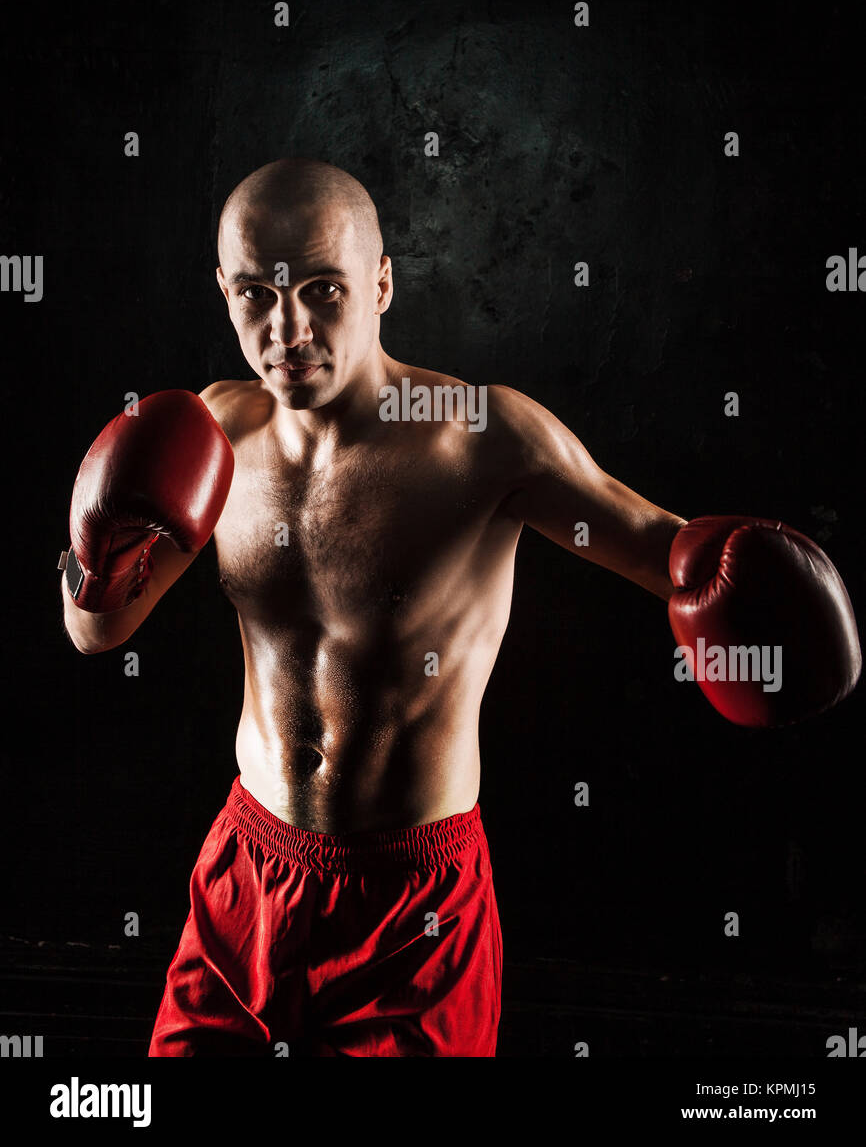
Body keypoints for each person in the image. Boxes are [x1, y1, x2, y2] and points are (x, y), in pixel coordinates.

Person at [60, 158, 862, 1057]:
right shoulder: (212, 434)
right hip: (246, 873)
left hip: (412, 905)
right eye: (255, 293)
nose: (286, 329)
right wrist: (93, 563)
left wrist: (750, 603)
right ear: (223, 289)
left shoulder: (484, 438)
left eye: (324, 289)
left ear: (383, 282)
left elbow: (669, 554)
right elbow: (100, 634)